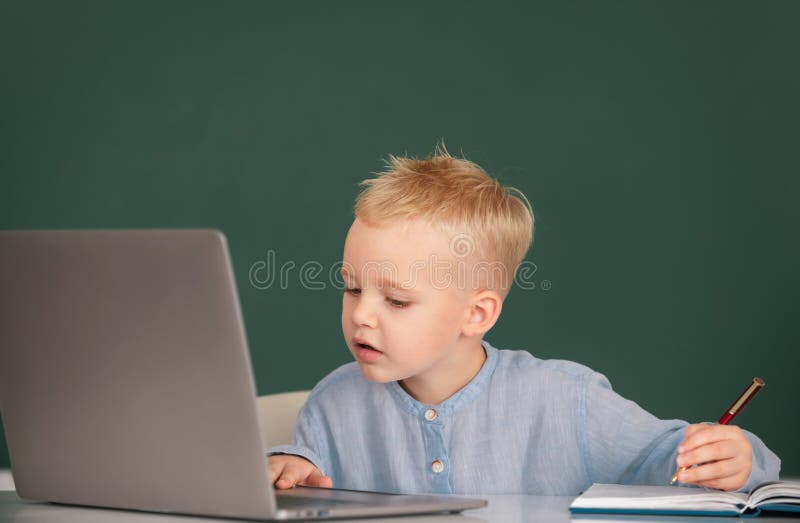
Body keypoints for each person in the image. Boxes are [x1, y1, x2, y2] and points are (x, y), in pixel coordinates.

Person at [266, 144, 780, 495]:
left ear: (477, 313)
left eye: (396, 301)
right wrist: (289, 467)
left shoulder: (565, 399)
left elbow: (675, 457)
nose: (362, 315)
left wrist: (737, 458)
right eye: (352, 288)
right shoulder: (332, 403)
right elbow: (301, 478)